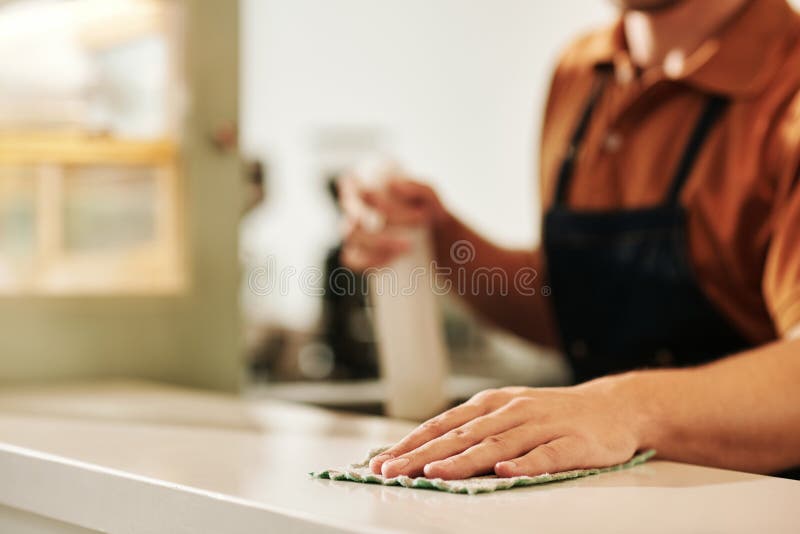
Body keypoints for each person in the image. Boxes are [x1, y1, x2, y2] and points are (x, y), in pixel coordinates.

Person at [339, 0, 800, 480]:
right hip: (611, 497)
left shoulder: (788, 84)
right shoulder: (582, 70)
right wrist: (442, 239)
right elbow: (579, 307)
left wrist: (622, 409)